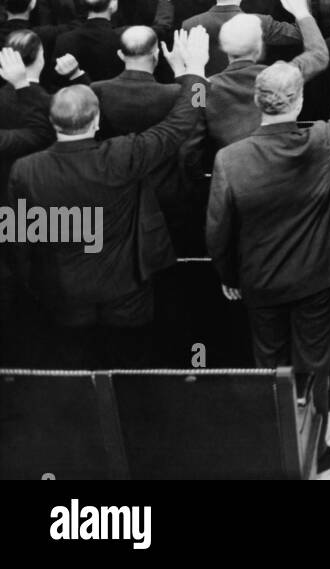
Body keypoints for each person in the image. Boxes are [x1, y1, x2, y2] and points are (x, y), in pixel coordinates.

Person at [205, 0, 330, 475]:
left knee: (269, 366)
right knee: (317, 365)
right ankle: (317, 445)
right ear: (298, 99)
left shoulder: (230, 159)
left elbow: (218, 227)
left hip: (259, 279)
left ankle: (278, 444)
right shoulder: (321, 142)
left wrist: (227, 272)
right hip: (315, 278)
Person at [5, 27, 209, 369]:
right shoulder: (122, 156)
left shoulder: (25, 170)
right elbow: (181, 122)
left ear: (53, 122)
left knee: (77, 369)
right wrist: (196, 73)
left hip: (64, 293)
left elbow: (20, 239)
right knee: (130, 368)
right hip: (126, 287)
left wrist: (34, 285)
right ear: (97, 120)